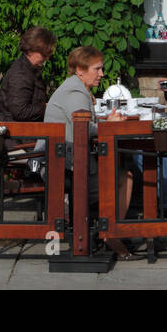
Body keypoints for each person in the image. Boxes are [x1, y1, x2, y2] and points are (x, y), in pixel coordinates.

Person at [44, 46, 134, 257]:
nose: (102, 74)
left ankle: (107, 228)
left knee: (122, 172)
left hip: (66, 160)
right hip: (67, 167)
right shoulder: (76, 91)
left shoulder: (74, 87)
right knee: (125, 177)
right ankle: (110, 233)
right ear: (80, 70)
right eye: (97, 69)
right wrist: (108, 124)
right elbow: (81, 127)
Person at [0, 26, 54, 122]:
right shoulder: (21, 74)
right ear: (30, 50)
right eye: (44, 54)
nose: (47, 58)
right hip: (15, 133)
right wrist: (46, 107)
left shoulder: (30, 69)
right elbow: (20, 112)